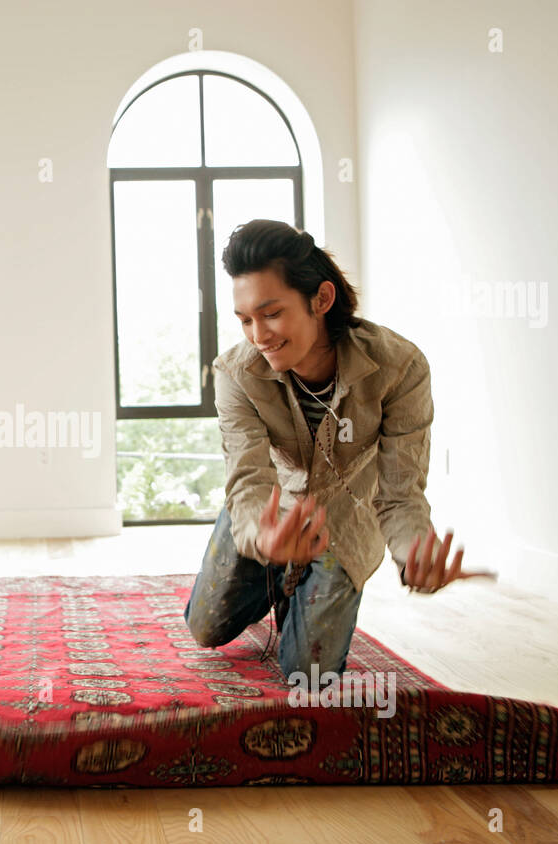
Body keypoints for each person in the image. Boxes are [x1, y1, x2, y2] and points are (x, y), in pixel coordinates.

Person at [184, 220, 493, 681]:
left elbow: (400, 493)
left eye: (272, 313)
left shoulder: (401, 367)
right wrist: (264, 539)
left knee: (308, 675)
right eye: (245, 320)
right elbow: (248, 479)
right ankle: (276, 579)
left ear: (321, 299)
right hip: (268, 516)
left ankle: (295, 588)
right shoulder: (236, 374)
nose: (258, 335)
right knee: (206, 629)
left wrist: (414, 555)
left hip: (345, 525)